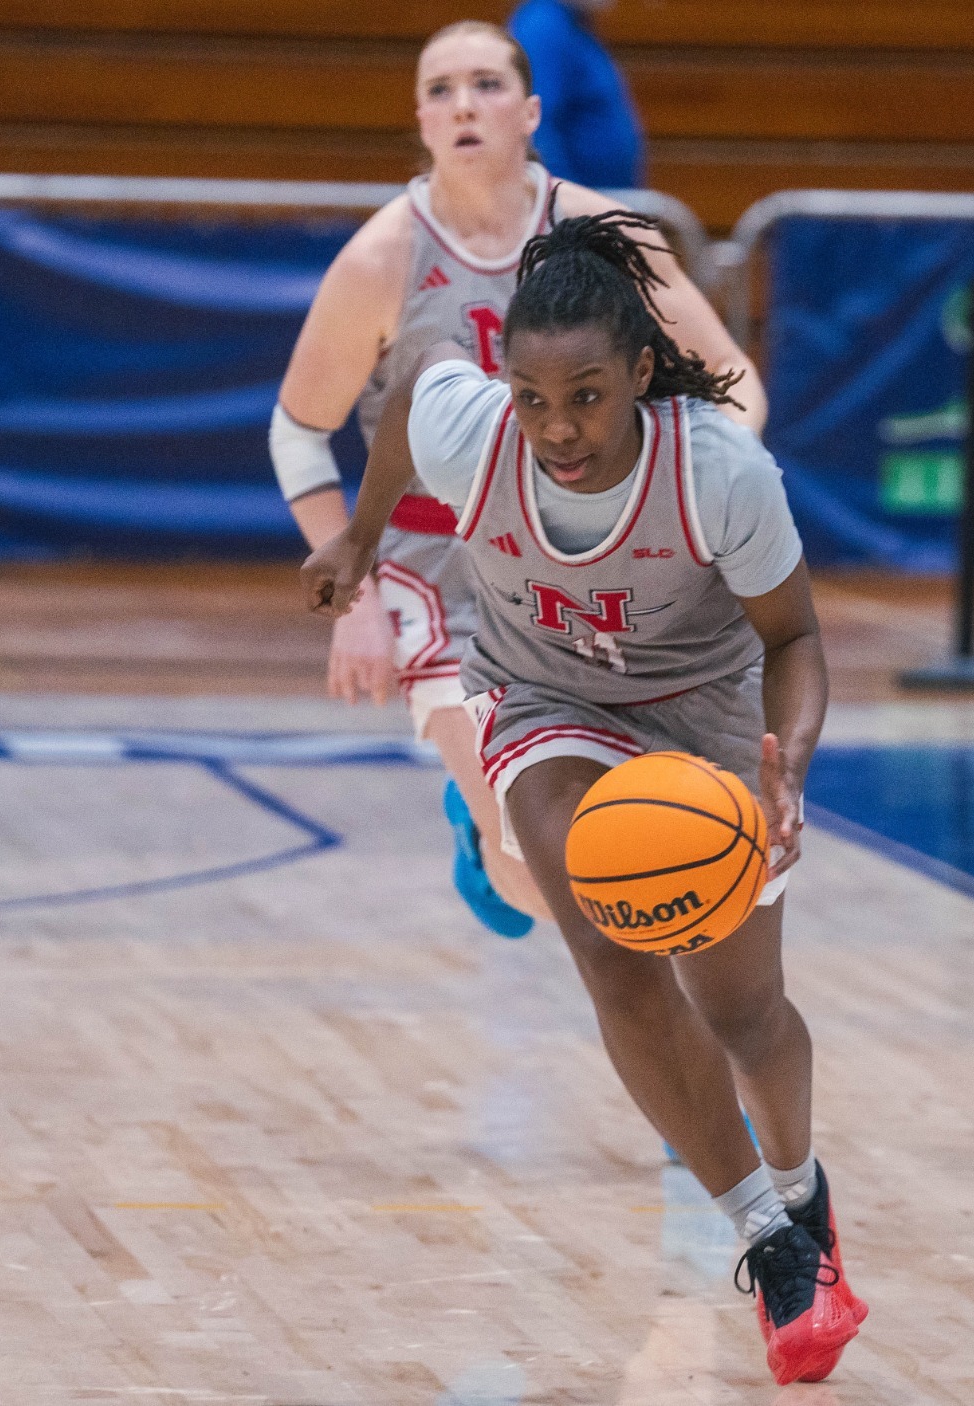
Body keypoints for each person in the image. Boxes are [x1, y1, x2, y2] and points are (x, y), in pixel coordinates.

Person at [301, 212, 862, 1384]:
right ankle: (764, 1234)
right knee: (612, 947)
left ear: (641, 373)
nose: (558, 429)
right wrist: (359, 536)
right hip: (545, 698)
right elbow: (409, 398)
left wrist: (790, 763)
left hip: (706, 717)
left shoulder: (718, 470)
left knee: (743, 1012)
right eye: (536, 398)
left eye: (590, 398)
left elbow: (796, 635)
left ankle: (803, 1194)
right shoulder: (477, 429)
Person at [273, 19, 758, 939]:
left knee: (630, 807)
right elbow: (298, 432)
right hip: (442, 562)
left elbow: (733, 384)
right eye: (443, 88)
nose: (465, 104)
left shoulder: (599, 236)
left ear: (531, 112)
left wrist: (712, 506)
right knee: (538, 850)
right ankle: (652, 990)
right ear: (419, 119)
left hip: (589, 555)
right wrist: (360, 595)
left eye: (487, 84)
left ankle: (562, 894)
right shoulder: (383, 261)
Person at [507, 0, 644, 190]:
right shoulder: (542, 24)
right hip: (575, 207)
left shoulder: (571, 22)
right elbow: (537, 127)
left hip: (597, 200)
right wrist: (563, 202)